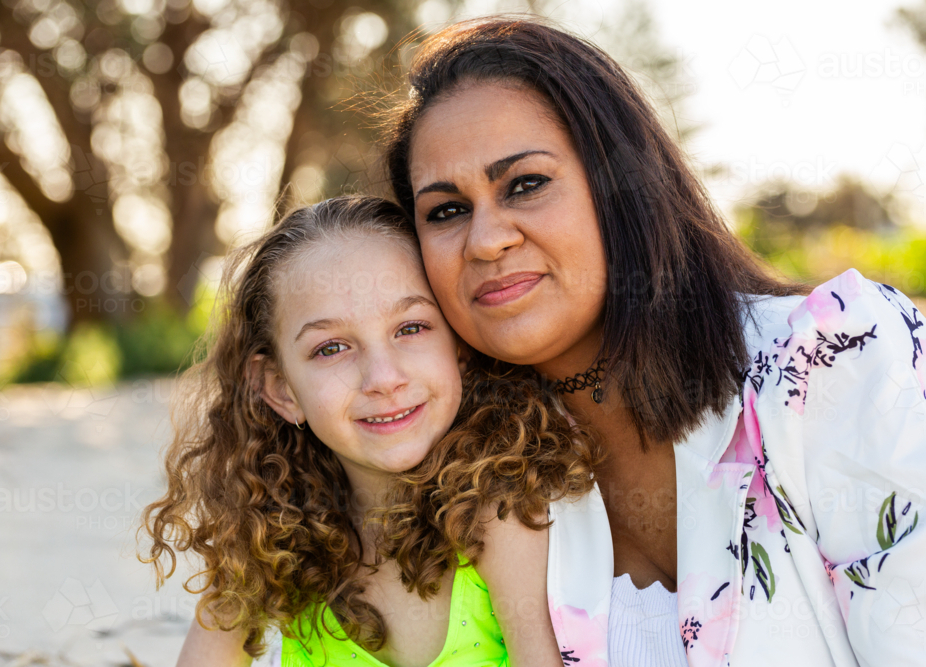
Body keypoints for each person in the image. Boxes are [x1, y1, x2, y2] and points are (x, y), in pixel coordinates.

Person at [382, 16, 926, 667]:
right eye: (446, 211)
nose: (486, 240)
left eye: (525, 184)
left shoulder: (835, 360)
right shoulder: (466, 471)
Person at [138, 195, 595, 666]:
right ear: (280, 388)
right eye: (331, 348)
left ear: (458, 345)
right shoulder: (265, 538)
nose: (383, 378)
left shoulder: (499, 512)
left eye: (411, 328)